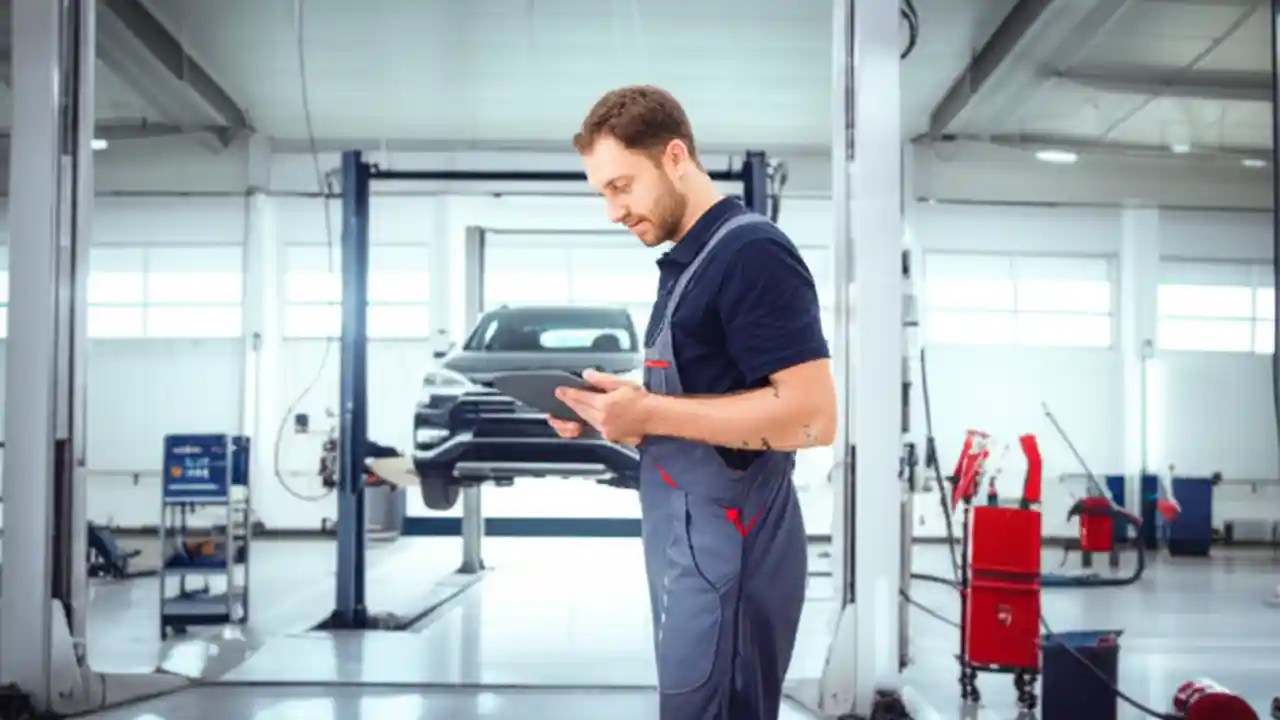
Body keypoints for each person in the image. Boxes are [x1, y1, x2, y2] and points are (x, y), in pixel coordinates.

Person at [551, 85, 837, 720]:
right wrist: (616, 411)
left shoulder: (751, 254)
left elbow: (813, 417)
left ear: (675, 156)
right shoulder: (689, 262)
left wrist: (649, 413)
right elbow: (704, 399)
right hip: (691, 547)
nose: (612, 211)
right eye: (603, 192)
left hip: (729, 555)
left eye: (622, 186)